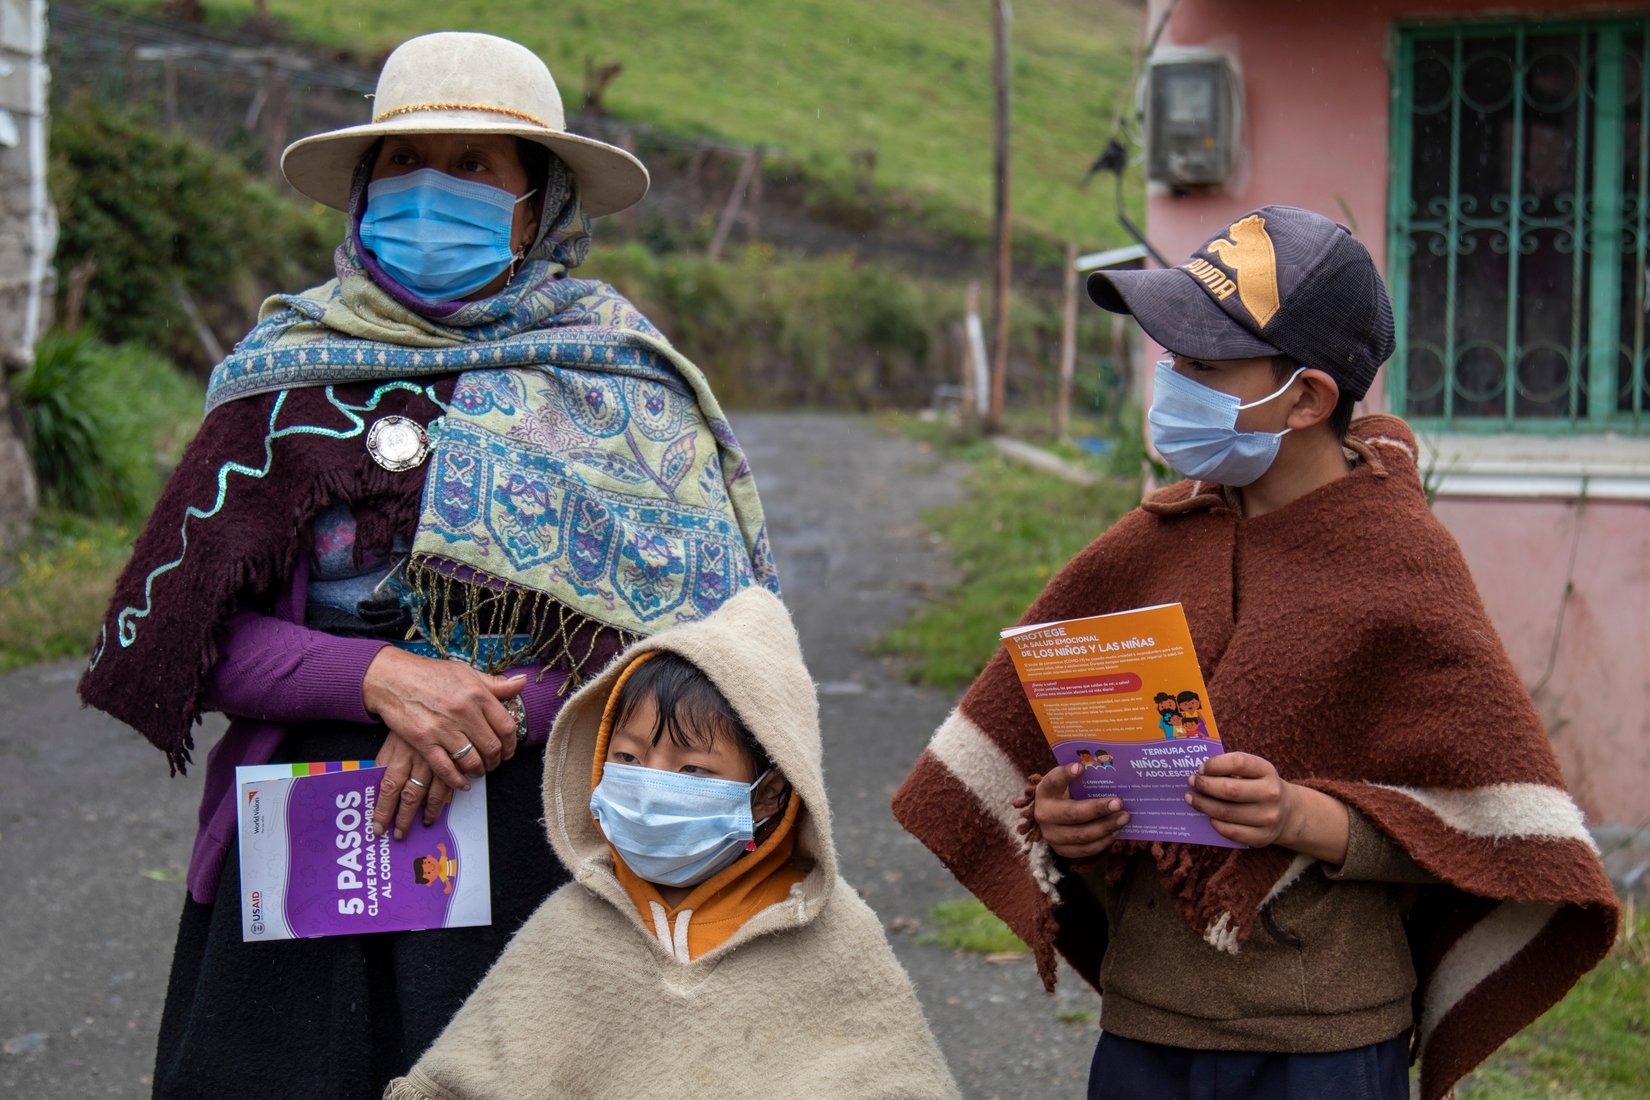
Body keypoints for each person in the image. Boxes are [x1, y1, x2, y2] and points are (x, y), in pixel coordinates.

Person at [78, 32, 779, 1099]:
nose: (429, 189)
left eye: (472, 168)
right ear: (361, 192)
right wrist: (379, 679)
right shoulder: (282, 378)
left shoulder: (627, 388)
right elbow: (186, 632)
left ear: (536, 206)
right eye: (404, 162)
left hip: (549, 851)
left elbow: (701, 647)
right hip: (306, 855)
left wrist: (480, 711)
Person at [891, 206, 1619, 1100]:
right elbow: (1075, 769)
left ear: (1307, 398)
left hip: (1324, 1042)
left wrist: (1302, 818)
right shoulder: (1148, 544)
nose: (1172, 383)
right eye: (1171, 359)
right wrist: (1063, 821)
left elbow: (1477, 820)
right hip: (1146, 1027)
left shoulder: (1401, 565)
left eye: (1201, 365)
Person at [383, 588, 959, 1100]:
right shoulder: (572, 929)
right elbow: (463, 1081)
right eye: (628, 759)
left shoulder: (833, 938)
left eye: (693, 771)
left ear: (770, 793)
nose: (652, 791)